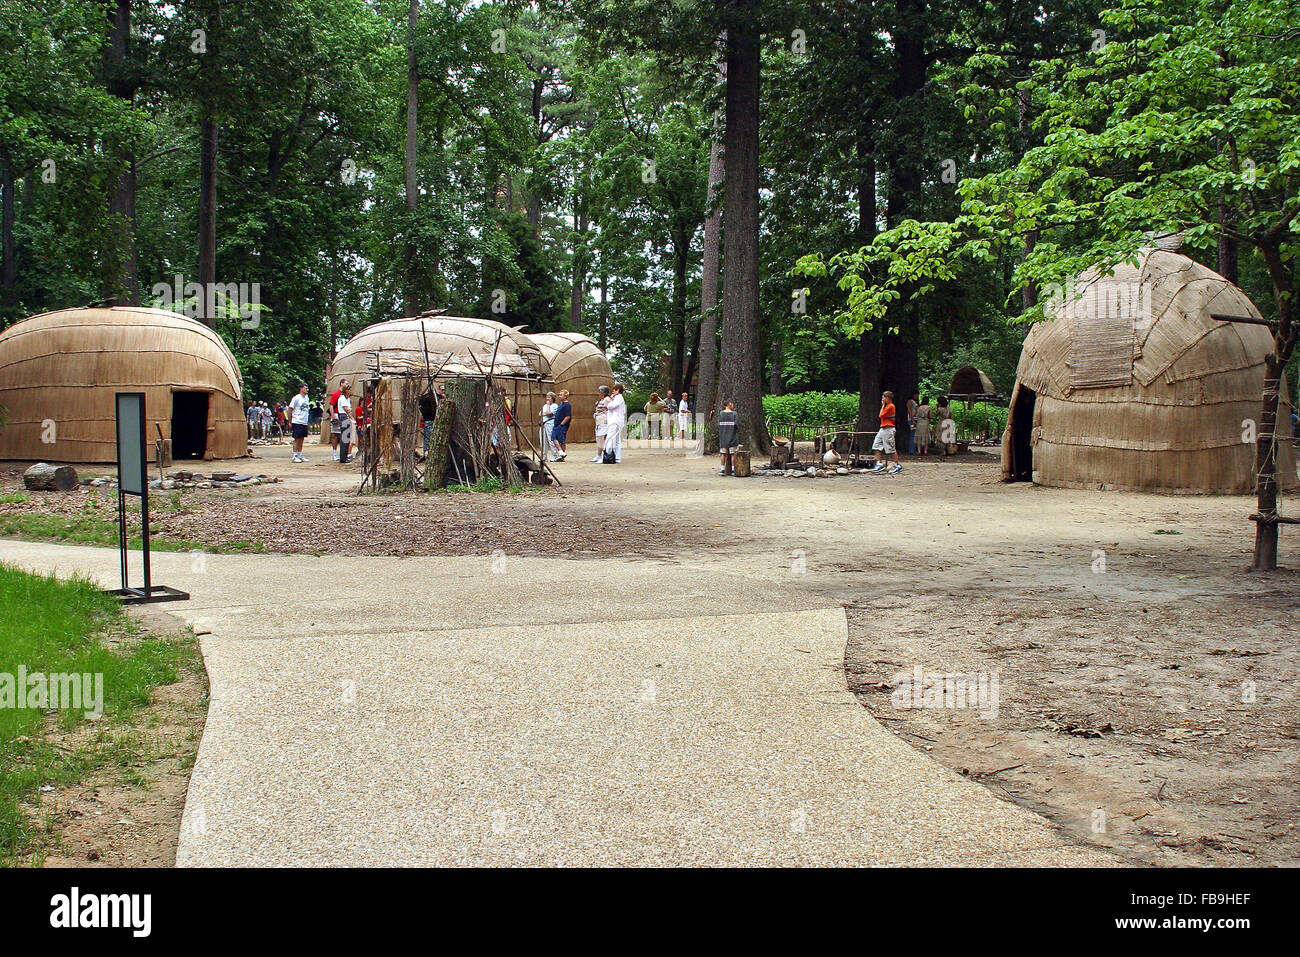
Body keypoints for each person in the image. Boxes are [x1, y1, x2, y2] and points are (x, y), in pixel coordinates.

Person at [869, 390, 902, 474]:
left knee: (890, 448)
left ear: (888, 398)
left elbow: (881, 415)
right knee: (876, 445)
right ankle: (879, 463)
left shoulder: (890, 406)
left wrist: (883, 405)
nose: (882, 399)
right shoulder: (887, 406)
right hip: (883, 428)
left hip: (888, 429)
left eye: (883, 397)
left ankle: (896, 465)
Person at [604, 384, 627, 463]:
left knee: (609, 438)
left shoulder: (618, 398)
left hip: (614, 421)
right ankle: (617, 457)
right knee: (617, 440)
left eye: (614, 390)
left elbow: (611, 406)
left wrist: (609, 402)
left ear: (617, 391)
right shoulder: (618, 398)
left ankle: (607, 455)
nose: (612, 392)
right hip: (617, 421)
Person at [289, 383, 311, 463]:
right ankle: (294, 455)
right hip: (297, 420)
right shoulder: (296, 398)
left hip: (304, 421)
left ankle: (299, 454)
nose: (307, 389)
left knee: (302, 439)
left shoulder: (306, 398)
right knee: (296, 438)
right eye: (305, 388)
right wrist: (290, 420)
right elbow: (290, 409)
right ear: (301, 388)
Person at [716, 400, 739, 475]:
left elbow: (718, 424)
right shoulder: (734, 414)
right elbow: (736, 425)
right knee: (733, 454)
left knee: (723, 453)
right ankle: (733, 470)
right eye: (732, 404)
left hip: (723, 437)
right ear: (729, 404)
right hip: (732, 436)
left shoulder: (721, 414)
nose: (733, 405)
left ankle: (722, 469)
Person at [336, 385, 356, 464]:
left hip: (346, 417)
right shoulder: (342, 398)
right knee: (344, 437)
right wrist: (352, 418)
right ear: (346, 390)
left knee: (346, 437)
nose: (350, 391)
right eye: (349, 390)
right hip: (344, 417)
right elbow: (346, 409)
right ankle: (343, 458)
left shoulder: (347, 399)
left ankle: (345, 456)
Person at [592, 385, 611, 462]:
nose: (598, 393)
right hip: (599, 420)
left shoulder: (607, 400)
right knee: (599, 438)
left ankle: (603, 455)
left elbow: (609, 409)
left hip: (603, 421)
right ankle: (599, 455)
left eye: (599, 392)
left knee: (602, 437)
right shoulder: (601, 400)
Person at [551, 391, 572, 460]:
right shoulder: (560, 404)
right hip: (556, 424)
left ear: (565, 396)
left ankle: (561, 453)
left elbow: (568, 416)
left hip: (561, 425)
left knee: (561, 439)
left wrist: (562, 424)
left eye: (561, 395)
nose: (559, 396)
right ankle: (561, 452)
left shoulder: (567, 405)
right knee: (554, 437)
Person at [539, 391, 557, 461]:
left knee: (551, 439)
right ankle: (543, 456)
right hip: (543, 423)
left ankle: (554, 455)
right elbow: (540, 414)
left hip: (550, 423)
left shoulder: (554, 406)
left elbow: (549, 414)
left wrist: (548, 406)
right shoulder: (544, 406)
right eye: (547, 397)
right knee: (542, 440)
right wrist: (545, 412)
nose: (547, 398)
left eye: (549, 397)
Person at [328, 381, 345, 460]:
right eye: (346, 383)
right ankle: (334, 453)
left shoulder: (345, 395)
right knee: (335, 435)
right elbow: (331, 405)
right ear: (341, 383)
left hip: (344, 415)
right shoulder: (336, 394)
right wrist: (333, 416)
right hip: (337, 414)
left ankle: (343, 453)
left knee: (344, 434)